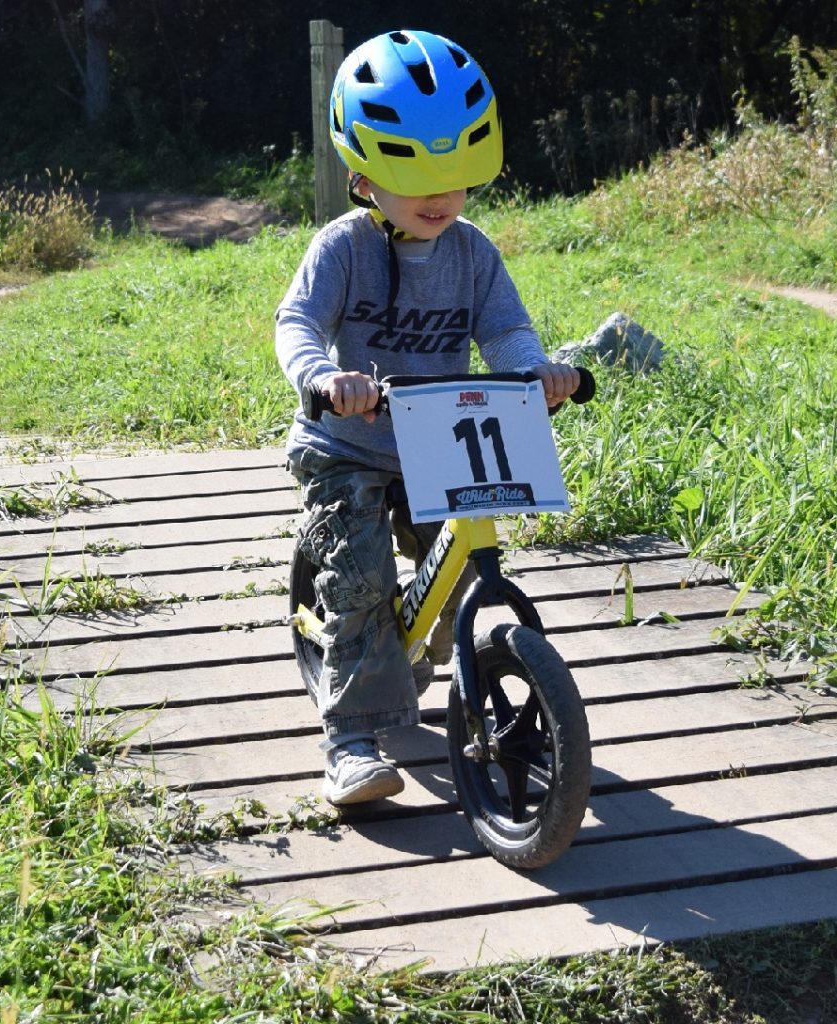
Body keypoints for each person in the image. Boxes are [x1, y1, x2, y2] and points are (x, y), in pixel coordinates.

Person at [275, 28, 579, 806]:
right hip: (347, 445)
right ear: (363, 175)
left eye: (455, 178)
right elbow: (297, 323)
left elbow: (505, 329)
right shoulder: (342, 249)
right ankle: (349, 741)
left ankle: (415, 650)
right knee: (359, 580)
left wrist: (535, 370)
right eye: (415, 179)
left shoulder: (472, 253)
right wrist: (323, 377)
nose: (439, 198)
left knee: (459, 568)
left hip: (436, 443)